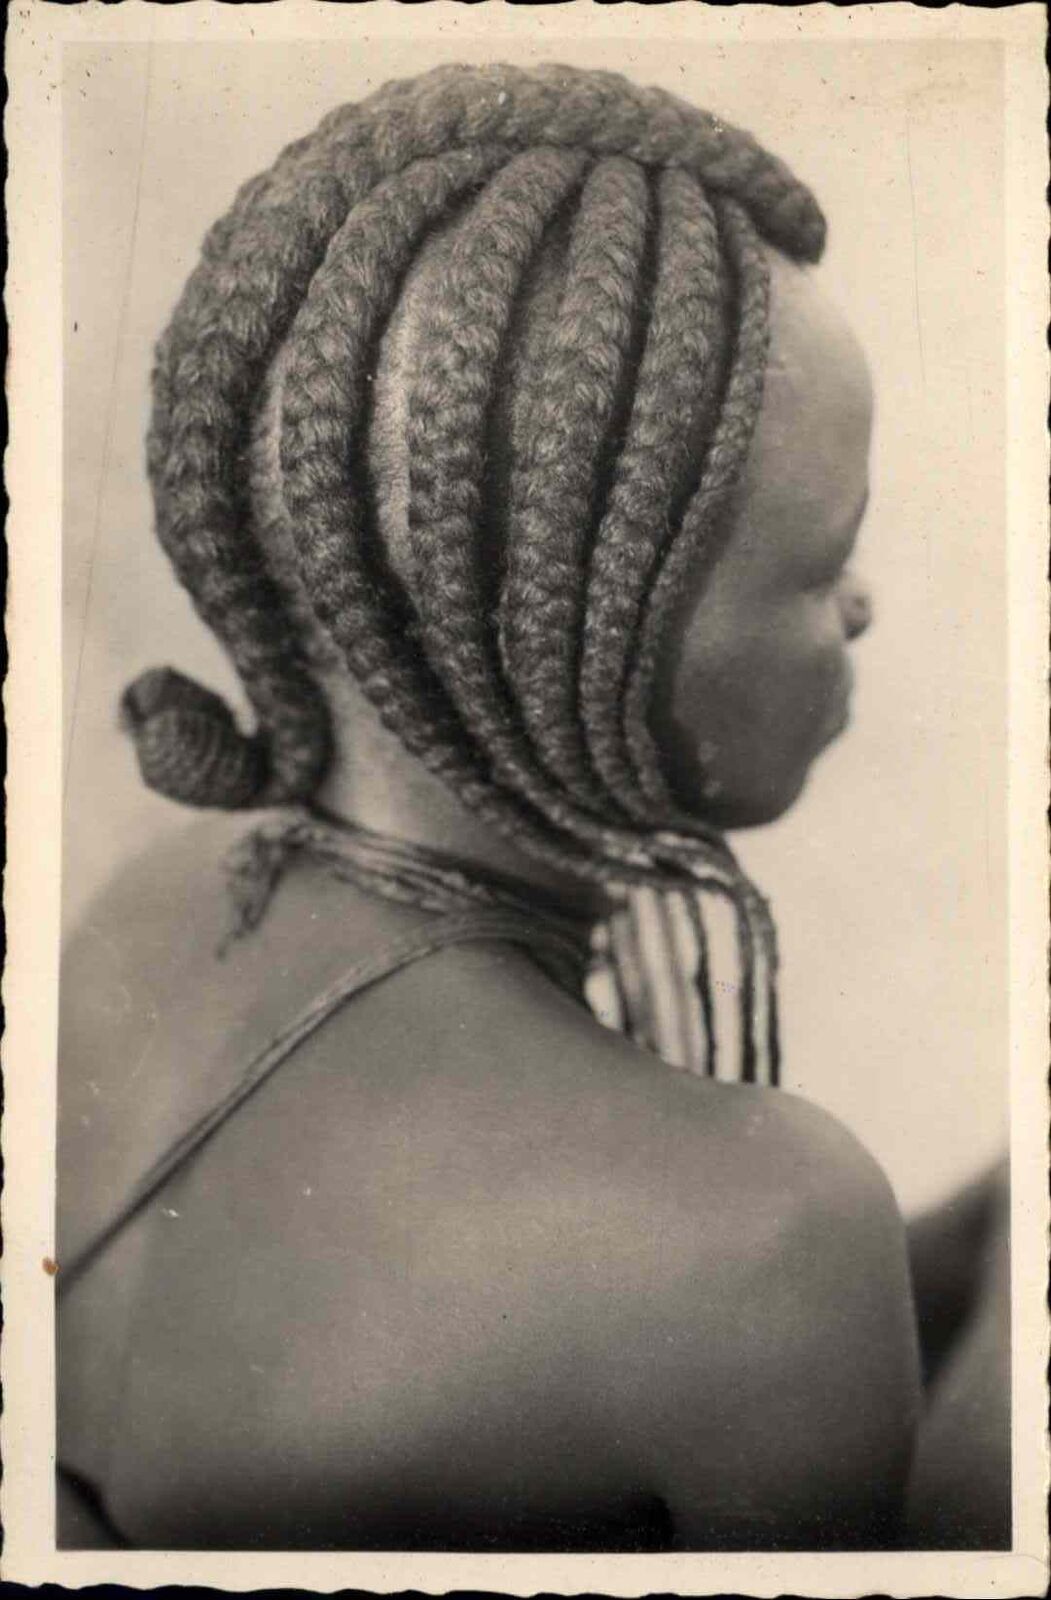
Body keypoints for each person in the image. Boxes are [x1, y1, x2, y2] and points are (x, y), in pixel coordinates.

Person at [56, 63, 1009, 1553]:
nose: (867, 607)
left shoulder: (149, 911)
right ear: (579, 627)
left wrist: (982, 1238)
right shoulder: (762, 1235)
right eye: (826, 565)